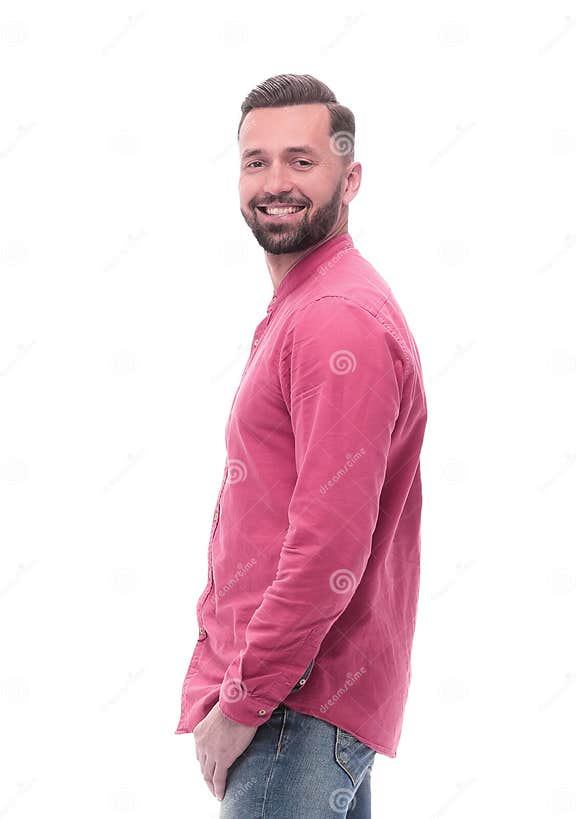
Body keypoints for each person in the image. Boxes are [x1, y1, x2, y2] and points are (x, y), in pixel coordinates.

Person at [175, 73, 428, 818]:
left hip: (293, 705)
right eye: (257, 162)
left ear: (350, 179)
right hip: (308, 702)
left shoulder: (334, 321)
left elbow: (328, 551)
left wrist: (243, 701)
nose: (275, 182)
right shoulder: (309, 306)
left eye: (301, 160)